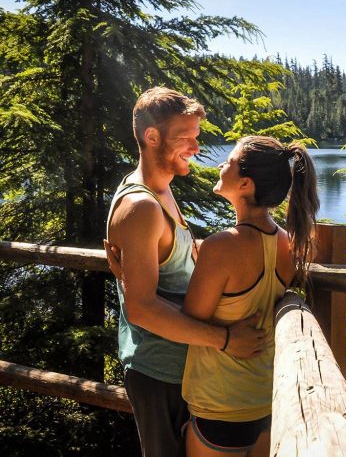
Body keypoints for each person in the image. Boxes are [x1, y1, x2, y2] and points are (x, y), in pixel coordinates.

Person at [105, 87, 266, 457]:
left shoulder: (162, 189)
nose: (196, 147)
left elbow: (171, 262)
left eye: (196, 137)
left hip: (184, 371)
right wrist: (225, 338)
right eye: (185, 138)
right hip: (159, 373)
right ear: (151, 137)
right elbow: (142, 309)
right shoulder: (141, 205)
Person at [181, 136, 319, 456]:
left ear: (244, 183)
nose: (220, 165)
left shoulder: (222, 246)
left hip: (220, 406)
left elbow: (189, 321)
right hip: (263, 403)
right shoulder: (287, 242)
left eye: (228, 162)